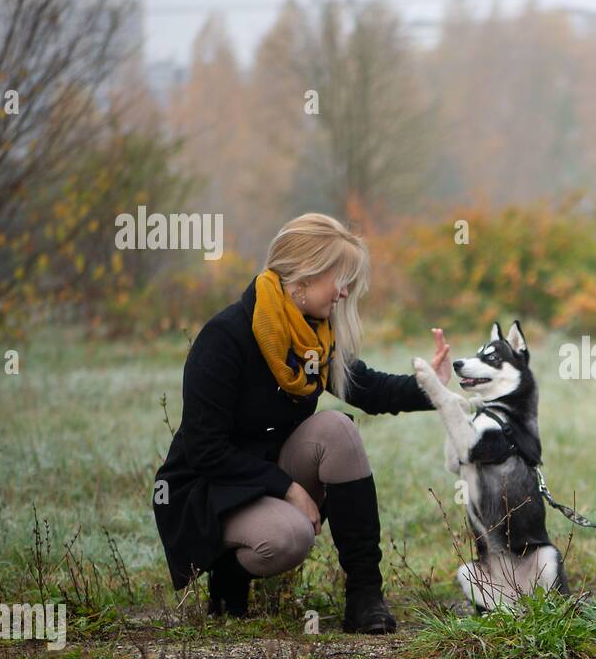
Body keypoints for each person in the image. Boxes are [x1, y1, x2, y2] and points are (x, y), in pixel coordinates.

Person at [152, 212, 452, 634]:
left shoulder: (312, 337)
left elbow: (365, 388)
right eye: (339, 278)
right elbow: (205, 449)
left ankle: (365, 594)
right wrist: (289, 489)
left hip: (266, 473)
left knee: (337, 429)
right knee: (289, 537)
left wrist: (431, 388)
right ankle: (227, 575)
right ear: (303, 278)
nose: (344, 292)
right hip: (209, 489)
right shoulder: (225, 337)